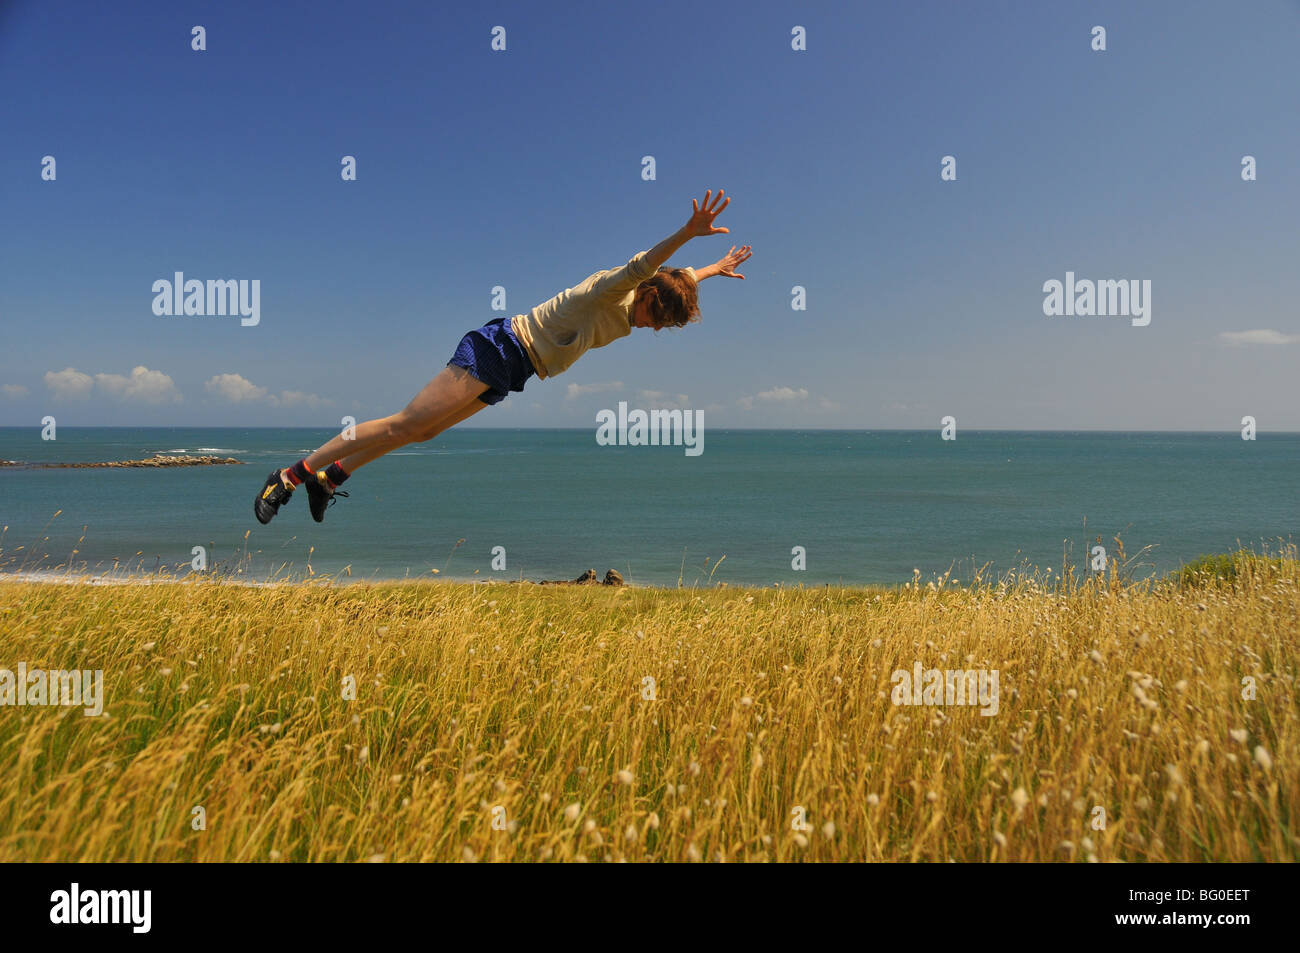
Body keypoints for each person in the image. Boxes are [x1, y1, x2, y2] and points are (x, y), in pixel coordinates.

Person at [254, 188, 752, 524]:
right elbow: (649, 264)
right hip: (501, 346)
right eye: (654, 317)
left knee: (422, 432)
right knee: (403, 423)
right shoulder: (610, 290)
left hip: (517, 370)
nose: (651, 328)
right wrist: (689, 231)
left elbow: (679, 279)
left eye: (661, 327)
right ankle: (290, 476)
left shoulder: (651, 299)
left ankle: (331, 476)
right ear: (646, 295)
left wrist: (715, 268)